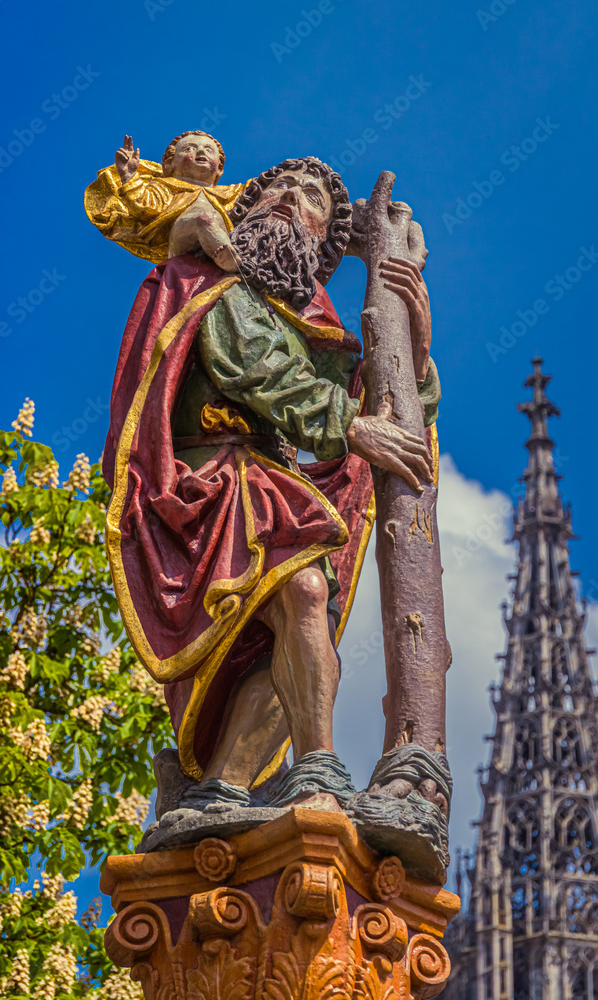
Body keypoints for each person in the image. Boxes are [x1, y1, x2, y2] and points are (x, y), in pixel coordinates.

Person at [101, 155, 441, 839]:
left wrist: (408, 308)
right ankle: (315, 766)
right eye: (278, 189)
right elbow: (255, 368)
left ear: (322, 241)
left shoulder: (306, 317)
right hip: (206, 485)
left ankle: (225, 785)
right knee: (303, 600)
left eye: (311, 196)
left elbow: (392, 395)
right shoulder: (215, 286)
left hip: (269, 485)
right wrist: (350, 426)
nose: (290, 197)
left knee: (299, 621)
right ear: (242, 215)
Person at [85, 130, 244, 269]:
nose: (200, 152)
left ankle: (237, 260)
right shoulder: (164, 186)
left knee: (213, 218)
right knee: (202, 218)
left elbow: (261, 188)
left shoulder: (230, 192)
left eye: (209, 150)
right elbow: (143, 206)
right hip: (183, 236)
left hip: (221, 230)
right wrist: (129, 176)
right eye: (189, 149)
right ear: (169, 164)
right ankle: (227, 258)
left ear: (220, 169)